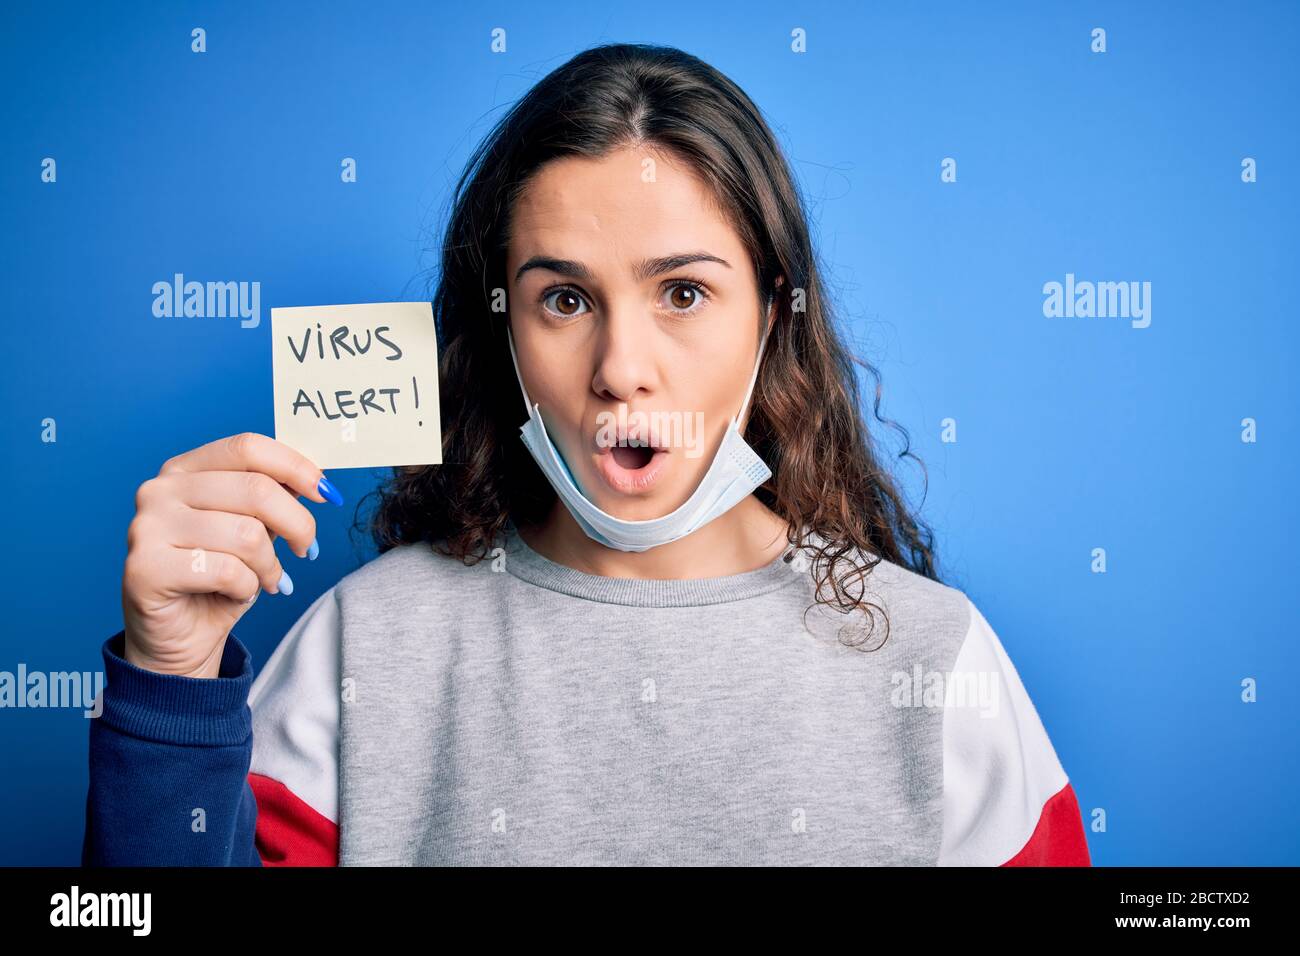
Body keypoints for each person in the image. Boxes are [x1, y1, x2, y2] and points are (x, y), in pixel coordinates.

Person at [82, 42, 1090, 866]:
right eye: (563, 299)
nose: (621, 369)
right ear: (504, 330)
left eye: (683, 293)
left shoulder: (935, 658)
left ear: (773, 316)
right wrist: (173, 684)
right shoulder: (363, 643)